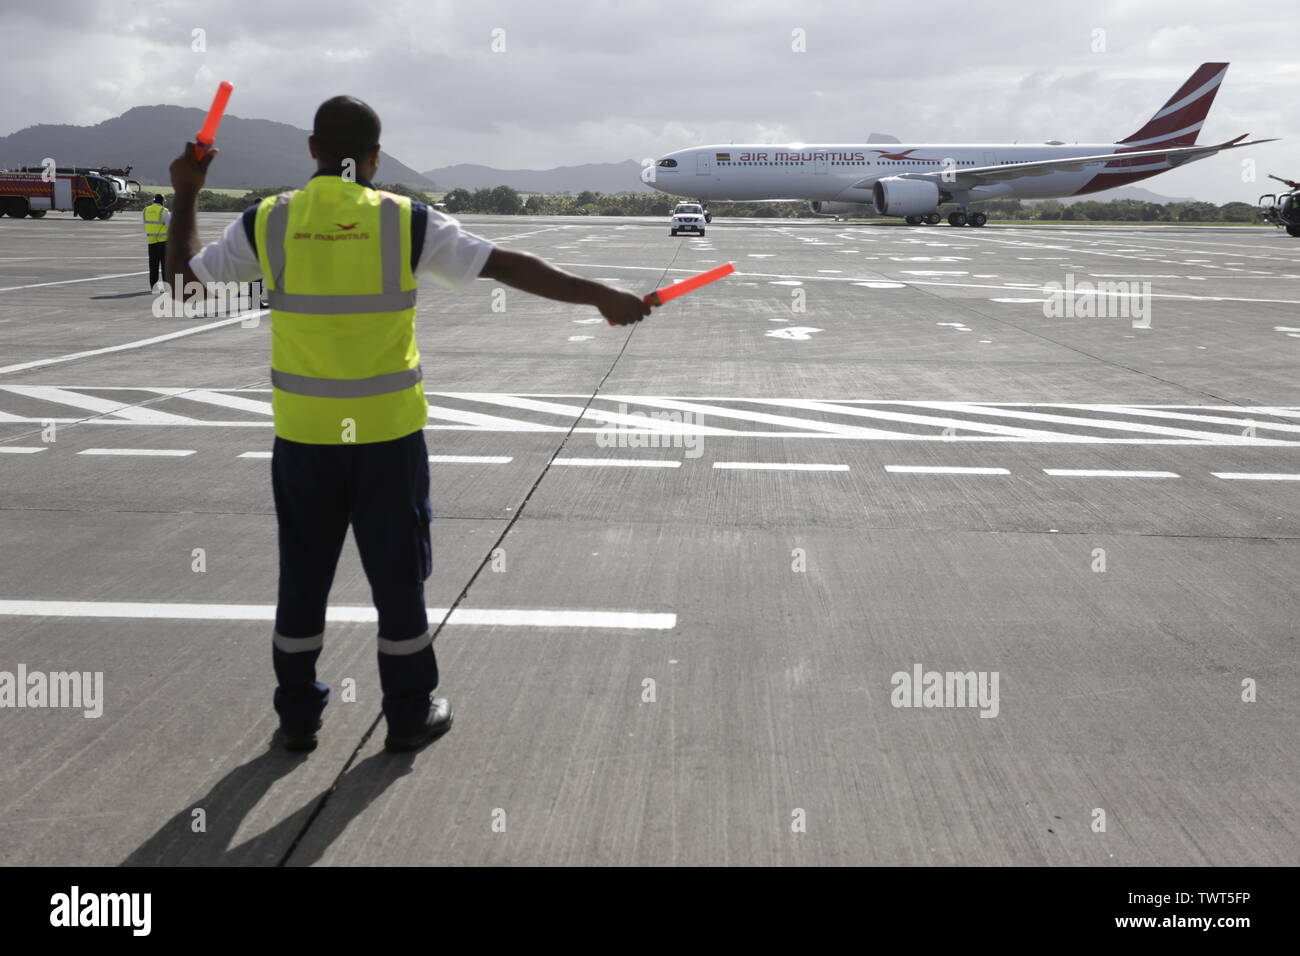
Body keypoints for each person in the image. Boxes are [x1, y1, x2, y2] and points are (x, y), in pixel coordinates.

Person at [164, 95, 650, 754]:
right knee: (398, 583)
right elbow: (507, 264)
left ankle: (299, 719)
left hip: (304, 442)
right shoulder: (404, 222)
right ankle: (407, 715)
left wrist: (187, 195)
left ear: (311, 149)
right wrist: (601, 295)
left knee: (302, 582)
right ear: (374, 157)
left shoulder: (268, 222)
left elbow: (184, 289)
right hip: (387, 442)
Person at [142, 194, 170, 290]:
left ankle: (153, 286)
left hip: (151, 242)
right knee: (165, 266)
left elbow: (145, 223)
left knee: (153, 266)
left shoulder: (146, 210)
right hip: (163, 242)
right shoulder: (163, 211)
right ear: (162, 201)